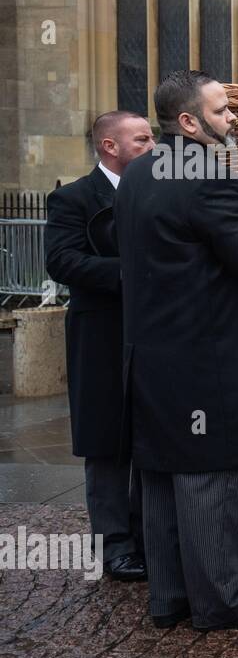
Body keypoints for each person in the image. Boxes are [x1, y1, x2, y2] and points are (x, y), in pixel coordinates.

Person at [116, 70, 238, 631]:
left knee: (164, 480)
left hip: (153, 356)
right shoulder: (206, 171)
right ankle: (222, 602)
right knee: (215, 479)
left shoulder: (139, 173)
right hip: (209, 360)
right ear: (189, 121)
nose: (232, 121)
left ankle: (170, 597)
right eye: (221, 112)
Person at [44, 110, 155, 582]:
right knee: (106, 442)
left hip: (153, 335)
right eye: (144, 139)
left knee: (150, 436)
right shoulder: (71, 198)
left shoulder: (156, 192)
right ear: (111, 146)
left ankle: (147, 539)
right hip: (100, 335)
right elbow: (63, 261)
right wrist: (135, 277)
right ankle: (114, 546)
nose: (154, 146)